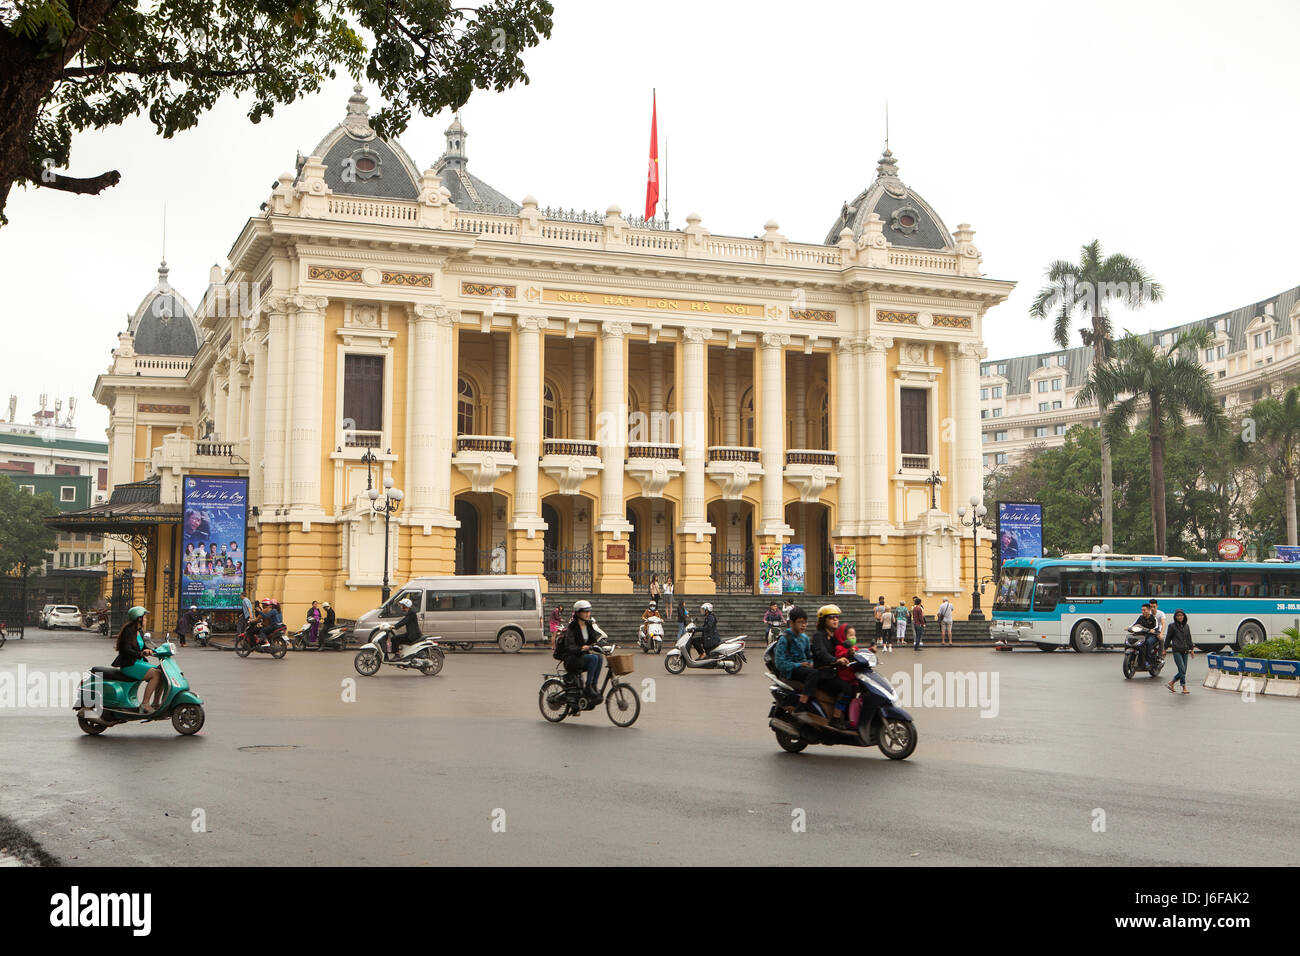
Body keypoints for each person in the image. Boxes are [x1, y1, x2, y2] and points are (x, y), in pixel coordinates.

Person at [112, 606, 166, 712]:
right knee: (156, 674)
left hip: (138, 662)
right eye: (144, 617)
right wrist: (141, 653)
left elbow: (143, 647)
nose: (146, 619)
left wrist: (154, 651)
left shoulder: (139, 631)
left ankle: (155, 703)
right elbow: (126, 649)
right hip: (129, 665)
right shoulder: (128, 631)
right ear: (139, 618)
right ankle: (145, 704)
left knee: (163, 672)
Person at [772, 607, 822, 714]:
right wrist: (798, 665)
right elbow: (780, 663)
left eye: (805, 622)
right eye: (800, 622)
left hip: (804, 669)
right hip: (791, 671)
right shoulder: (784, 639)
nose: (803, 625)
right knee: (814, 674)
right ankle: (802, 704)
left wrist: (811, 663)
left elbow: (809, 656)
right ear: (791, 623)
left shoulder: (805, 638)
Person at [810, 605, 853, 729]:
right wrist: (836, 660)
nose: (835, 620)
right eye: (831, 617)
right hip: (822, 674)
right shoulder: (819, 636)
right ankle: (835, 718)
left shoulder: (833, 637)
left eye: (837, 618)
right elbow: (821, 653)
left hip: (832, 673)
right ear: (824, 621)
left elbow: (841, 649)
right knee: (846, 689)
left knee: (855, 686)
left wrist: (850, 653)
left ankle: (848, 717)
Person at [556, 600, 603, 709]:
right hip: (572, 659)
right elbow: (569, 646)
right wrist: (581, 648)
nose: (587, 614)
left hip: (582, 657)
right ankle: (587, 686)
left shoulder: (588, 625)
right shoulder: (572, 628)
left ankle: (593, 685)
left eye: (589, 611)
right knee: (593, 659)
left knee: (599, 658)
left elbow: (594, 640)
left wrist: (607, 646)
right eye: (584, 612)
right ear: (578, 613)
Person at [1165, 609, 1195, 694]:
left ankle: (1171, 683)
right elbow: (1168, 638)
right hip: (1177, 650)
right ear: (1175, 617)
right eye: (1178, 616)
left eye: (1181, 615)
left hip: (1185, 650)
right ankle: (1184, 687)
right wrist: (1165, 649)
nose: (1180, 617)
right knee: (1182, 669)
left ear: (1184, 616)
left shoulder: (1186, 626)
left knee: (1183, 670)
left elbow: (1189, 638)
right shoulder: (1172, 626)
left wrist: (1191, 649)